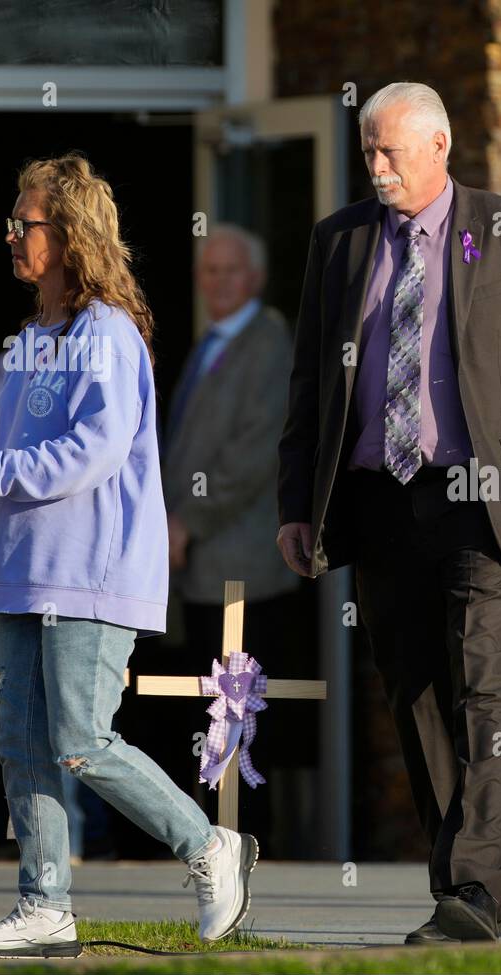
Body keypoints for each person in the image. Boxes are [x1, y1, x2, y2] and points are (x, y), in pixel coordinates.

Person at [276, 82, 501, 944]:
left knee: (480, 683)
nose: (377, 167)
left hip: (484, 500)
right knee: (414, 690)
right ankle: (456, 876)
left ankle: (472, 888)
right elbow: (311, 383)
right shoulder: (339, 241)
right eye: (368, 152)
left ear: (439, 147)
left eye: (390, 151)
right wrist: (296, 504)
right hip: (380, 499)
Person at [0, 152, 255, 958]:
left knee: (81, 739)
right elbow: (26, 459)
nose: (10, 236)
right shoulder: (34, 335)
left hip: (90, 576)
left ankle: (209, 846)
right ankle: (44, 904)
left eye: (23, 224)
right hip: (23, 573)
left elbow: (92, 453)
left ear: (66, 236)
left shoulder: (104, 332)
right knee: (20, 741)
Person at [162, 225, 314, 852]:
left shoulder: (268, 342)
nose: (216, 282)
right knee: (209, 711)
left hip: (242, 565)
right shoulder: (212, 343)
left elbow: (253, 455)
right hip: (201, 566)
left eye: (229, 271)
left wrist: (188, 520)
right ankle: (212, 841)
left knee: (241, 714)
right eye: (208, 270)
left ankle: (248, 843)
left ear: (255, 276)